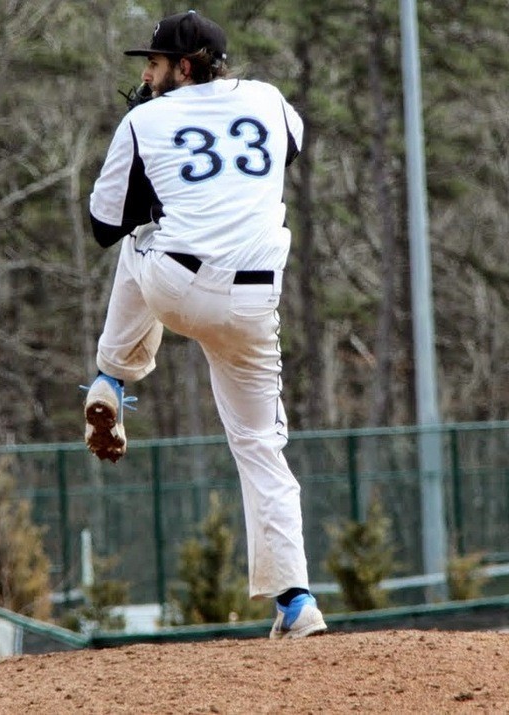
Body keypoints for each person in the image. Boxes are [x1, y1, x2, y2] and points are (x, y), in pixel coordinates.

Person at [84, 10, 327, 639]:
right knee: (261, 446)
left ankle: (111, 379)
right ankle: (298, 601)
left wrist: (160, 185)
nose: (146, 73)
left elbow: (103, 226)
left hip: (177, 284)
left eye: (156, 62)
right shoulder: (270, 99)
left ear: (184, 67)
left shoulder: (143, 119)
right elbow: (292, 147)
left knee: (139, 239)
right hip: (253, 303)